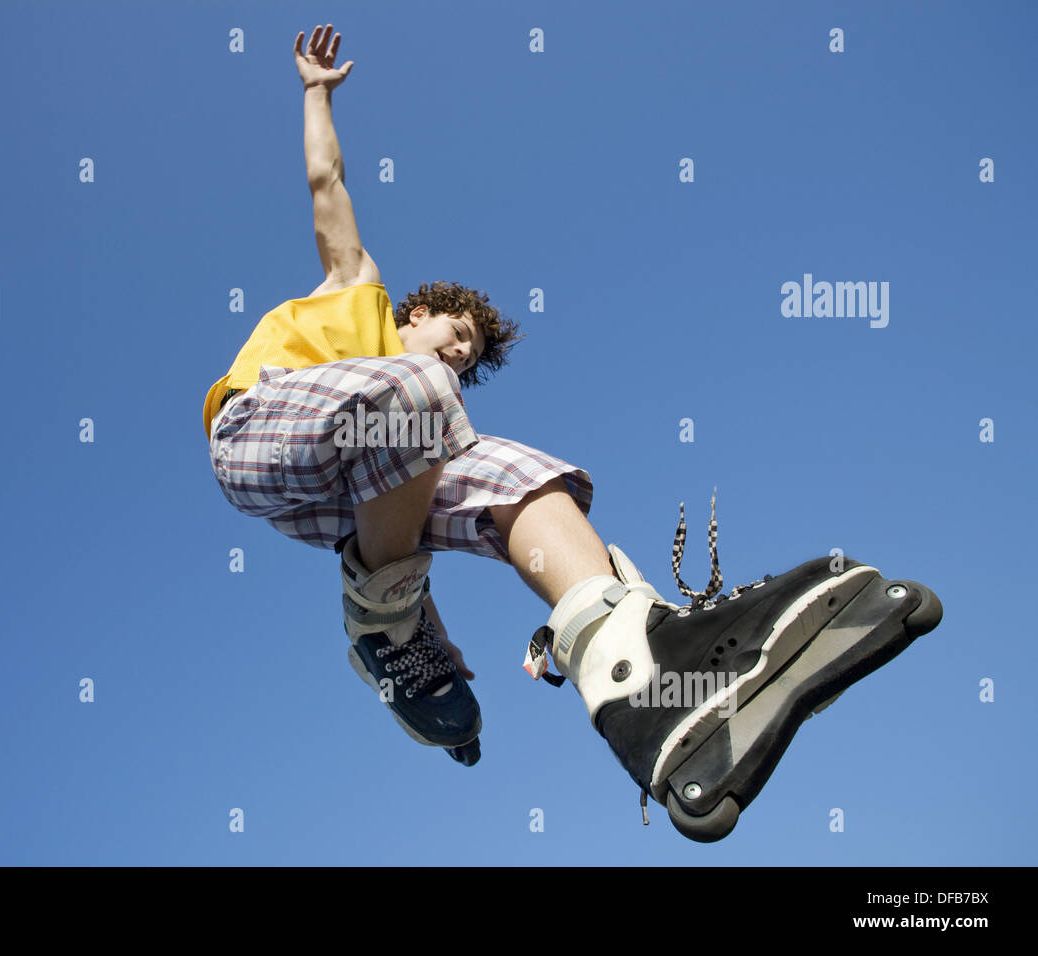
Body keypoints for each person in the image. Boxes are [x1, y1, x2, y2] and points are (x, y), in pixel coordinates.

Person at [203, 24, 941, 841]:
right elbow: (326, 180)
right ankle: (383, 625)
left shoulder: (420, 415)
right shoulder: (360, 293)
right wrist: (315, 92)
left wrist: (430, 641)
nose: (458, 350)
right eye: (453, 332)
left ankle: (635, 671)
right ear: (414, 312)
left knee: (521, 473)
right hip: (264, 437)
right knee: (417, 391)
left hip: (359, 498)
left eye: (470, 352)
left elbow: (399, 528)